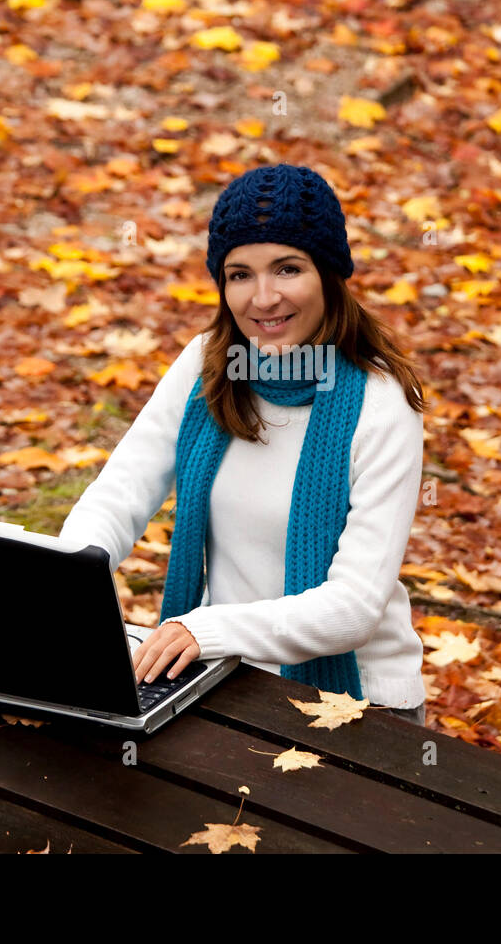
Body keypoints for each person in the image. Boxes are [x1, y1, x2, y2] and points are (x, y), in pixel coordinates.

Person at [57, 163, 429, 724]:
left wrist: (202, 629)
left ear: (329, 273)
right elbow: (119, 495)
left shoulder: (382, 403)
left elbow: (353, 607)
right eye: (239, 275)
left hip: (359, 702)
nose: (264, 297)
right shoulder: (206, 364)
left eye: (287, 268)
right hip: (227, 677)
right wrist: (67, 583)